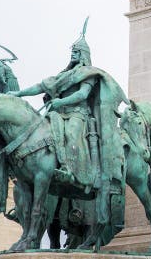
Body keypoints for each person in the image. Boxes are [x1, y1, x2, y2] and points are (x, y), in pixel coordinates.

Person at [8, 18, 127, 242]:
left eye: (77, 51)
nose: (74, 53)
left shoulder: (89, 73)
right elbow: (39, 87)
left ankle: (70, 169)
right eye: (72, 50)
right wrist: (18, 95)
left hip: (78, 115)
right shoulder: (62, 75)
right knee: (43, 133)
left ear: (84, 54)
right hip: (57, 113)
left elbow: (82, 95)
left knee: (72, 135)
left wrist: (61, 103)